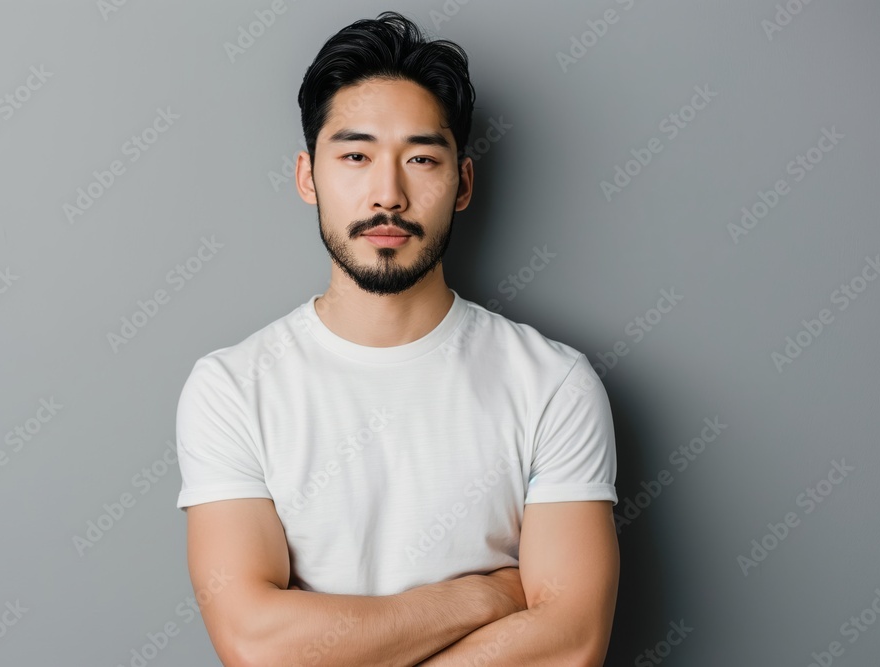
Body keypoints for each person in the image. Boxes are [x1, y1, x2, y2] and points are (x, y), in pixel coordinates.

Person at [175, 11, 619, 666]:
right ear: (308, 177)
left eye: (420, 158)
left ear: (462, 183)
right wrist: (485, 598)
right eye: (355, 155)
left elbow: (571, 644)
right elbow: (256, 644)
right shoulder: (232, 388)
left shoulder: (551, 383)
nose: (388, 194)